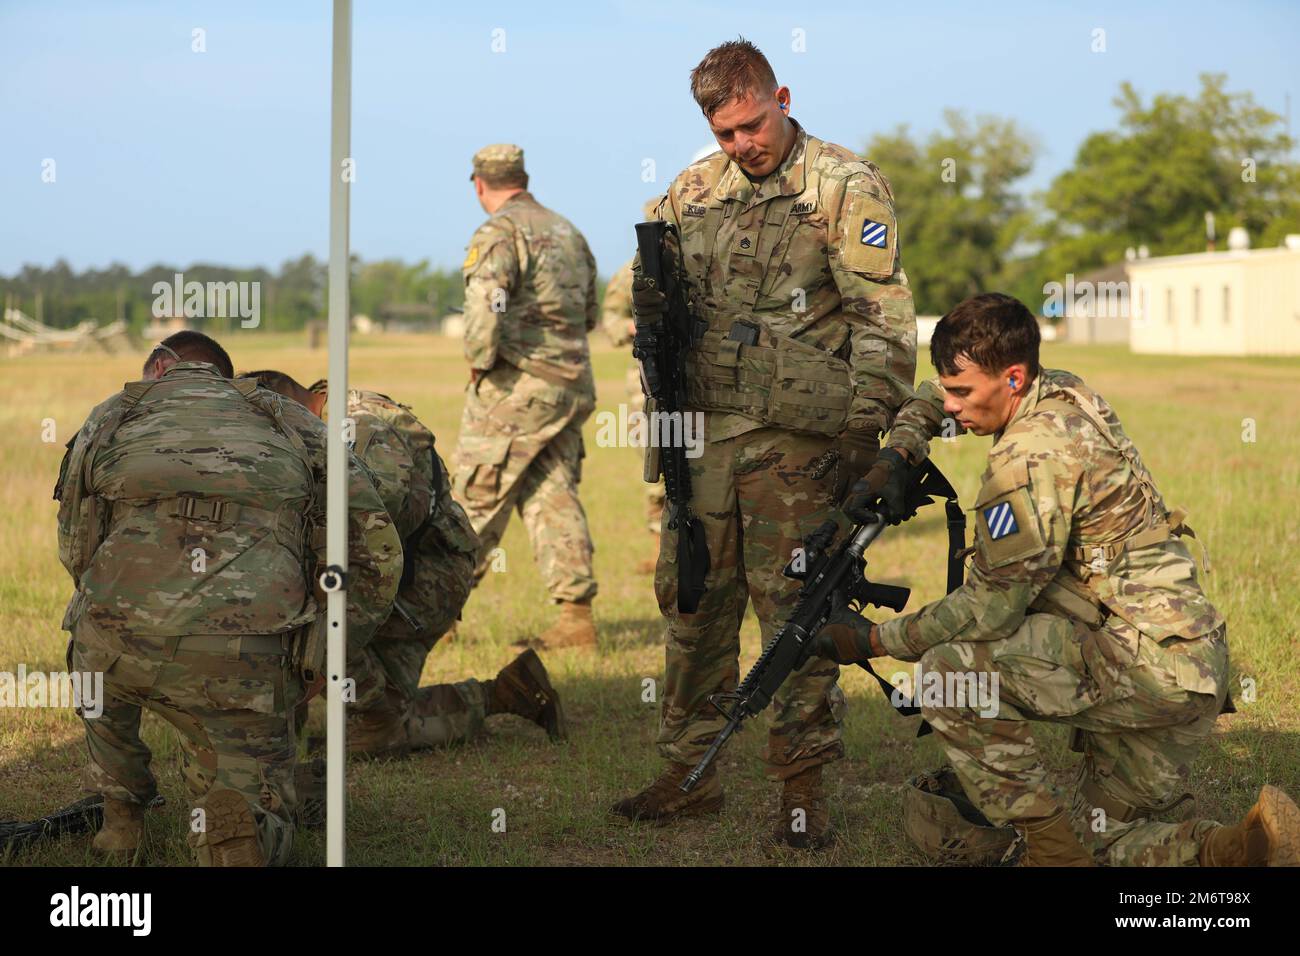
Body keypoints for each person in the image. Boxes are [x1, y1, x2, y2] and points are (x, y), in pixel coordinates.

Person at [818, 292, 1300, 866]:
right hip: (1192, 667)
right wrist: (899, 451)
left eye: (963, 394)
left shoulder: (1027, 462)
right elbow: (934, 393)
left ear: (1013, 378)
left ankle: (1053, 860)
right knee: (1106, 839)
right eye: (949, 390)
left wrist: (871, 640)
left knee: (948, 674)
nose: (952, 406)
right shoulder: (1064, 389)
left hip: (1138, 667)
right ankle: (1240, 851)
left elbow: (989, 610)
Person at [609, 39, 917, 850]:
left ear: (782, 96)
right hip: (702, 439)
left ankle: (801, 789)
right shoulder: (693, 190)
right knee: (692, 606)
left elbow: (880, 322)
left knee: (797, 614)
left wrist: (867, 438)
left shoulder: (844, 187)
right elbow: (642, 287)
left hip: (796, 441)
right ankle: (688, 774)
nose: (743, 144)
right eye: (725, 133)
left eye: (752, 123)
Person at [55, 331, 401, 866]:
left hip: (118, 645)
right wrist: (330, 651)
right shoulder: (290, 420)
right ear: (225, 376)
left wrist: (113, 608)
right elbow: (376, 550)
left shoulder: (112, 415)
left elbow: (76, 546)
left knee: (91, 650)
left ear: (159, 367)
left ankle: (120, 823)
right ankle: (238, 832)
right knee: (251, 804)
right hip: (248, 656)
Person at [245, 371, 566, 754]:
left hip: (425, 578)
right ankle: (508, 693)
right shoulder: (326, 424)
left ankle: (361, 717)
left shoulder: (358, 422)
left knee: (299, 615)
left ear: (284, 408)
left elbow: (379, 512)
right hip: (399, 573)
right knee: (387, 722)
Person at [453, 143, 601, 651]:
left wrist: (479, 358)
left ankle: (435, 617)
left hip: (515, 388)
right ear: (523, 177)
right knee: (553, 493)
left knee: (473, 497)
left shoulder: (498, 233)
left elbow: (485, 305)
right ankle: (576, 621)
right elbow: (590, 315)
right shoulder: (567, 232)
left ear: (479, 185)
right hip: (570, 384)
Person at [600, 198, 668, 575]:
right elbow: (609, 317)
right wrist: (630, 328)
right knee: (655, 459)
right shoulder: (631, 270)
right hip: (645, 380)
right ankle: (662, 547)